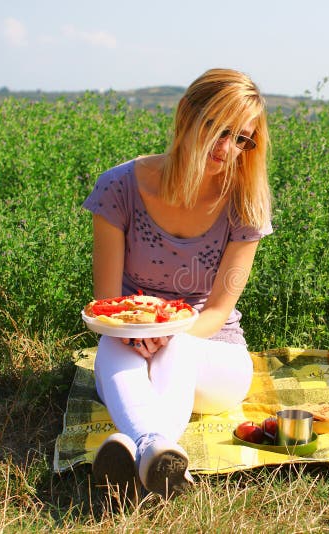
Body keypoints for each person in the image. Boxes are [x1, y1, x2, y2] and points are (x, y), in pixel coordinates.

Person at [82, 68, 272, 498]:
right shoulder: (119, 188)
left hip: (212, 353)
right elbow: (108, 303)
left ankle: (136, 443)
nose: (228, 149)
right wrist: (138, 331)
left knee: (180, 347)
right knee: (111, 348)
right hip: (128, 347)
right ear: (186, 115)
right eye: (218, 130)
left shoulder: (245, 202)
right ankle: (155, 456)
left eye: (242, 138)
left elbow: (219, 310)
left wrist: (168, 331)